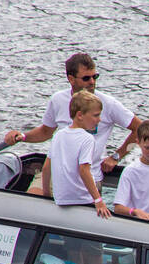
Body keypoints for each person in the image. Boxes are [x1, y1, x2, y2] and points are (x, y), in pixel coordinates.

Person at [4, 52, 141, 181]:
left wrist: (116, 157)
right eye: (86, 78)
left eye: (95, 76)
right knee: (33, 197)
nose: (92, 82)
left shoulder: (109, 104)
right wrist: (22, 137)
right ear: (71, 79)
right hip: (57, 172)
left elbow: (140, 129)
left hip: (88, 176)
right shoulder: (57, 99)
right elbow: (46, 132)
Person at [48, 91, 111, 219]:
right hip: (82, 199)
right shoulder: (87, 139)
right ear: (80, 115)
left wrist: (46, 193)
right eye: (96, 115)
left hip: (61, 198)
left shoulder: (58, 135)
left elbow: (46, 167)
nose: (99, 120)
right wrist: (98, 201)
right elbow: (83, 170)